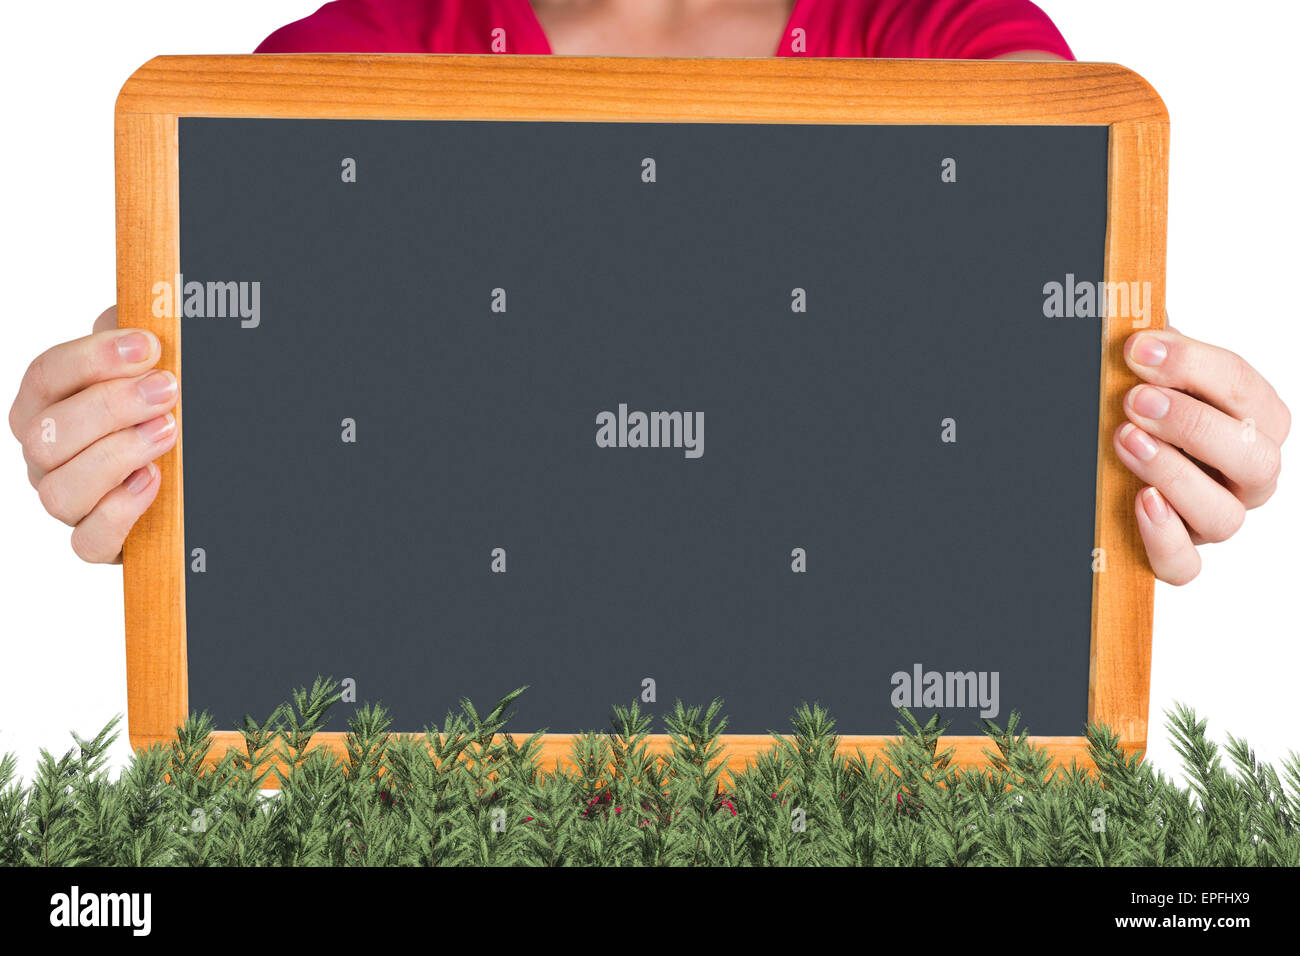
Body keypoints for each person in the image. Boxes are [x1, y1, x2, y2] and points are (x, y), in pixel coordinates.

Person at [8, 0, 1288, 587]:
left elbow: (1009, 431)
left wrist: (1166, 453)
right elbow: (272, 473)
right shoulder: (334, 71)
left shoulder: (966, 51)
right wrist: (128, 437)